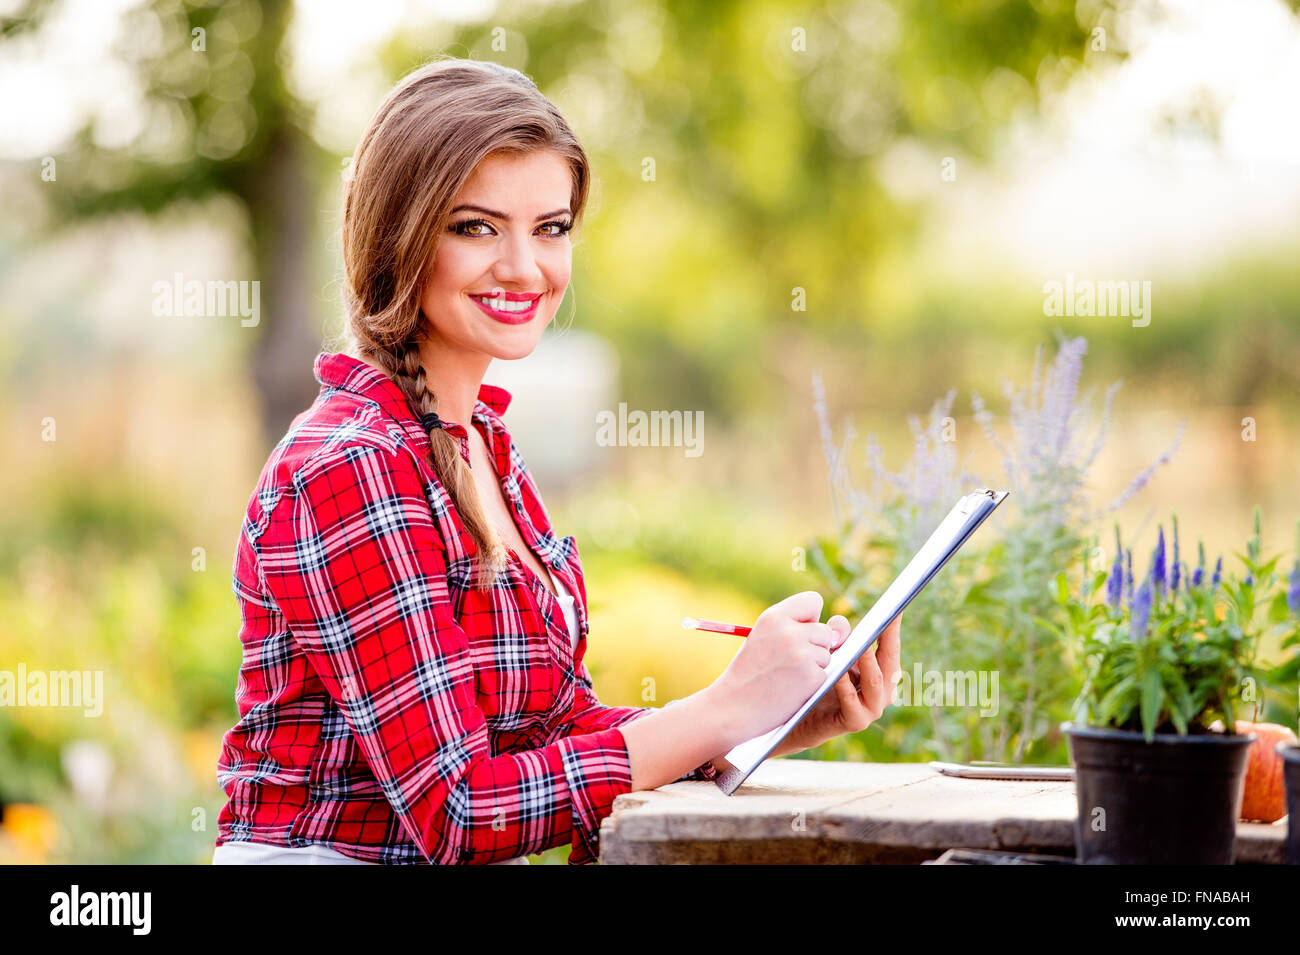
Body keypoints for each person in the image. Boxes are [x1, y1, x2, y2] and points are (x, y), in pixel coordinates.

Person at [212, 57, 901, 866]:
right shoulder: (350, 466)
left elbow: (554, 733)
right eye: (476, 226)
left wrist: (764, 719)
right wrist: (719, 709)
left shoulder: (482, 449)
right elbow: (460, 809)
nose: (524, 267)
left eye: (550, 227)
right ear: (399, 235)